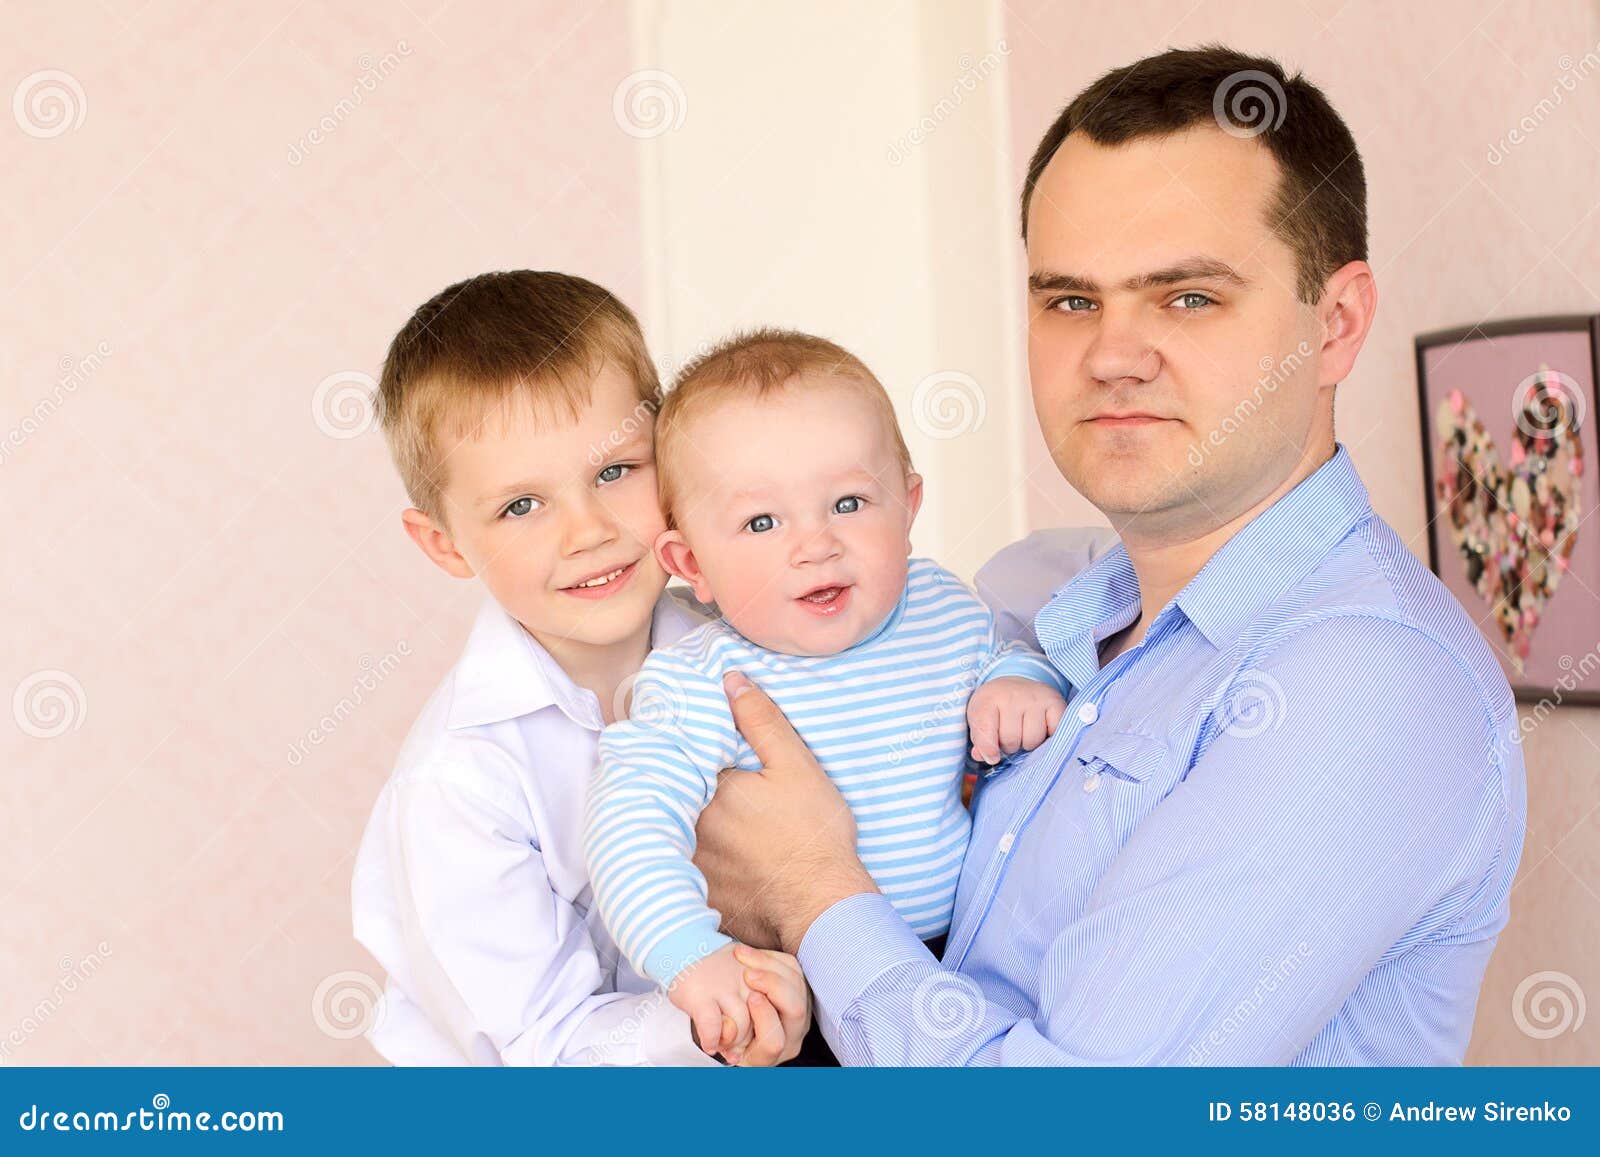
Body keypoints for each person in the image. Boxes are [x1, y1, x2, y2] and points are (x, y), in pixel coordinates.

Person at [688, 45, 1528, 1065]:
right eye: (1071, 300)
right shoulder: (1021, 593)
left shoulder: (1367, 681)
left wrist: (811, 886)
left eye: (1187, 297)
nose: (1111, 354)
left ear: (1336, 323)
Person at [350, 271, 809, 1066]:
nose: (588, 531)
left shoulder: (745, 648)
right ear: (445, 543)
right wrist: (728, 1009)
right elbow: (545, 1049)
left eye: (614, 470)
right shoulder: (462, 782)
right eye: (521, 506)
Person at [584, 329, 1070, 1062]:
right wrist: (688, 953)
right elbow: (626, 827)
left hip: (952, 966)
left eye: (848, 501)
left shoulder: (939, 605)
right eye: (761, 522)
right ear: (693, 564)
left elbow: (1003, 657)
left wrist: (1021, 683)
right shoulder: (699, 680)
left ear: (907, 507)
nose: (815, 543)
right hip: (793, 992)